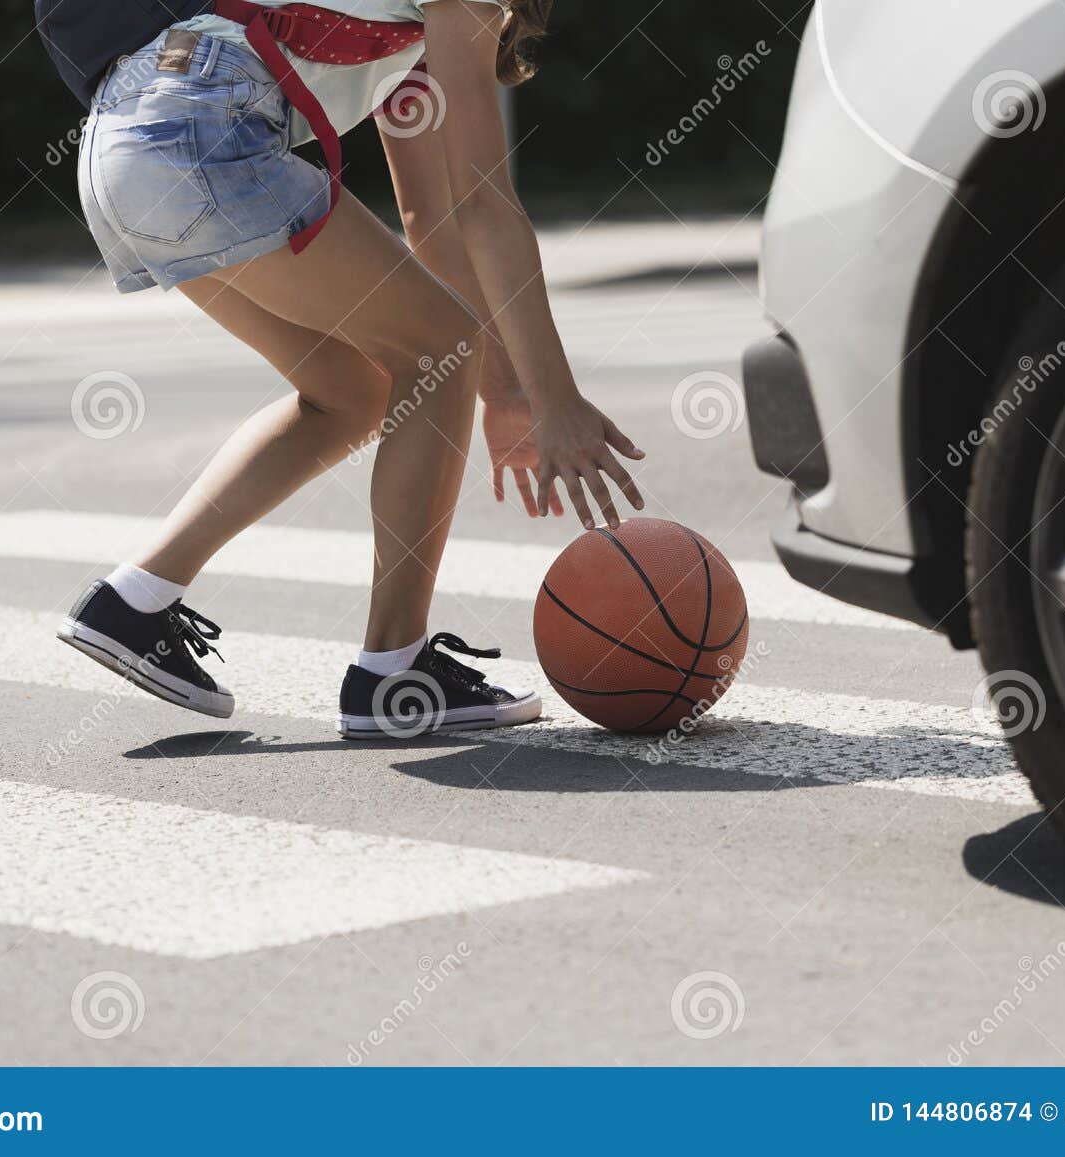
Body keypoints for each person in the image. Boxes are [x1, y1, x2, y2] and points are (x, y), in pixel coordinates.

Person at [55, 0, 644, 737]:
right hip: (197, 127)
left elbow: (431, 216)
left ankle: (133, 599)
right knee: (439, 349)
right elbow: (487, 207)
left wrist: (502, 392)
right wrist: (555, 401)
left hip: (127, 141)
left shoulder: (410, 49)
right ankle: (393, 673)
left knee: (352, 392)